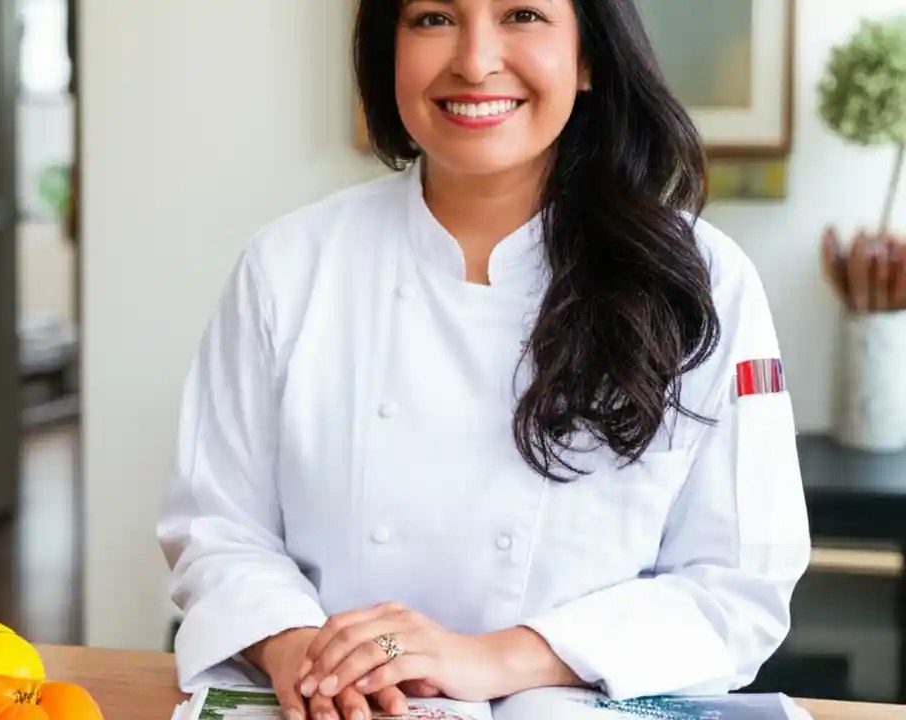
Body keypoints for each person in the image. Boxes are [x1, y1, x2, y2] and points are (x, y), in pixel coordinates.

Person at [156, 1, 811, 719]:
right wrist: (313, 661)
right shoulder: (287, 267)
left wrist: (488, 658)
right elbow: (219, 528)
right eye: (433, 18)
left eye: (523, 14)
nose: (474, 60)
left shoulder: (705, 282)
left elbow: (736, 584)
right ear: (388, 50)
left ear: (589, 56)